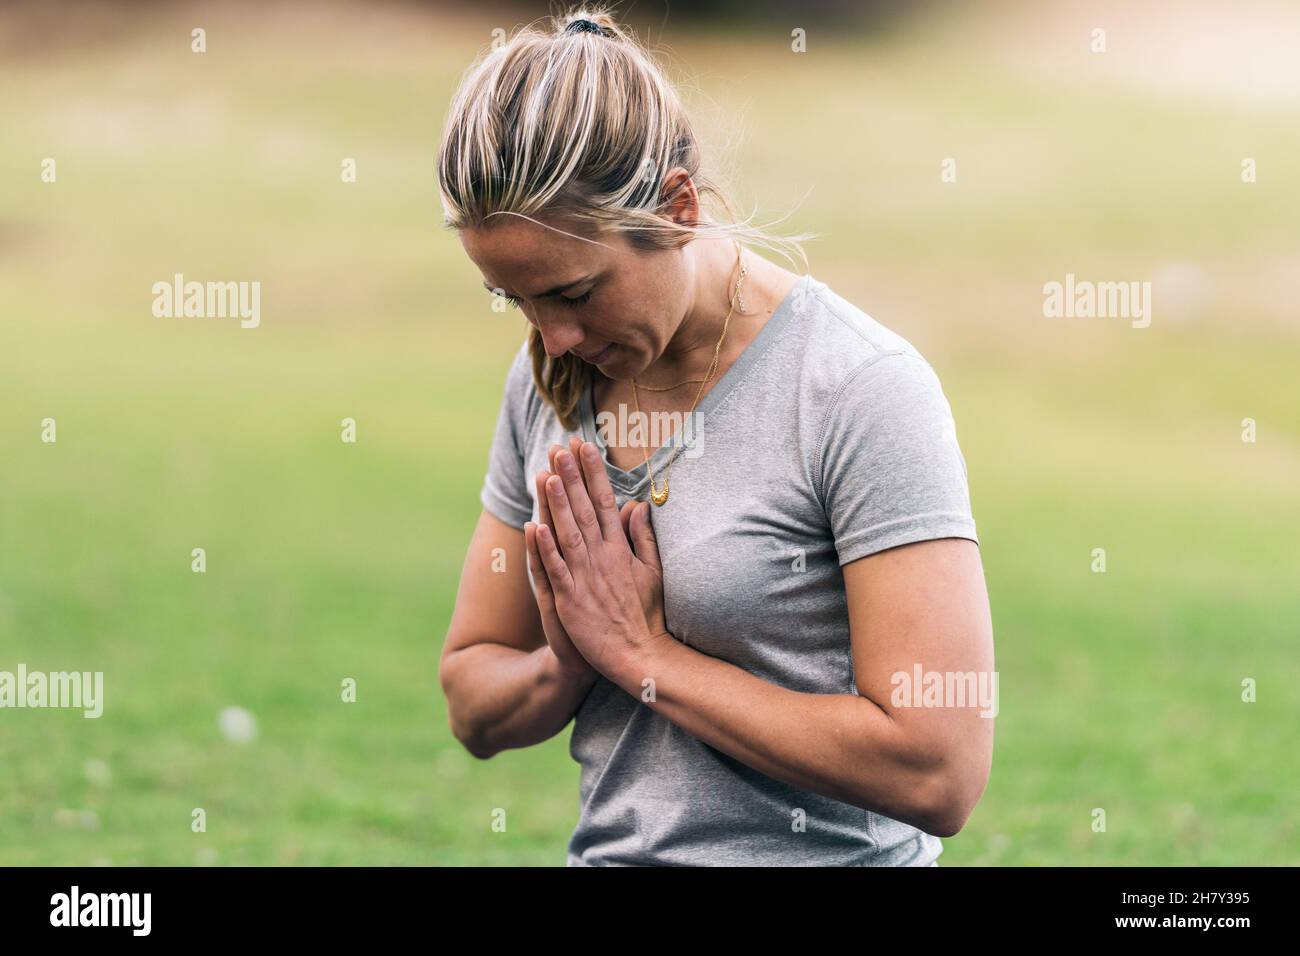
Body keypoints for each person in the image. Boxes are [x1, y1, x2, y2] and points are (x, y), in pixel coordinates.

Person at [437, 7, 994, 866]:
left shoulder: (857, 389)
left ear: (677, 207)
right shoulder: (546, 383)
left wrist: (644, 655)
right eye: (516, 300)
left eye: (576, 294)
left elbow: (938, 770)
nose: (551, 340)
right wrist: (571, 662)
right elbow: (473, 698)